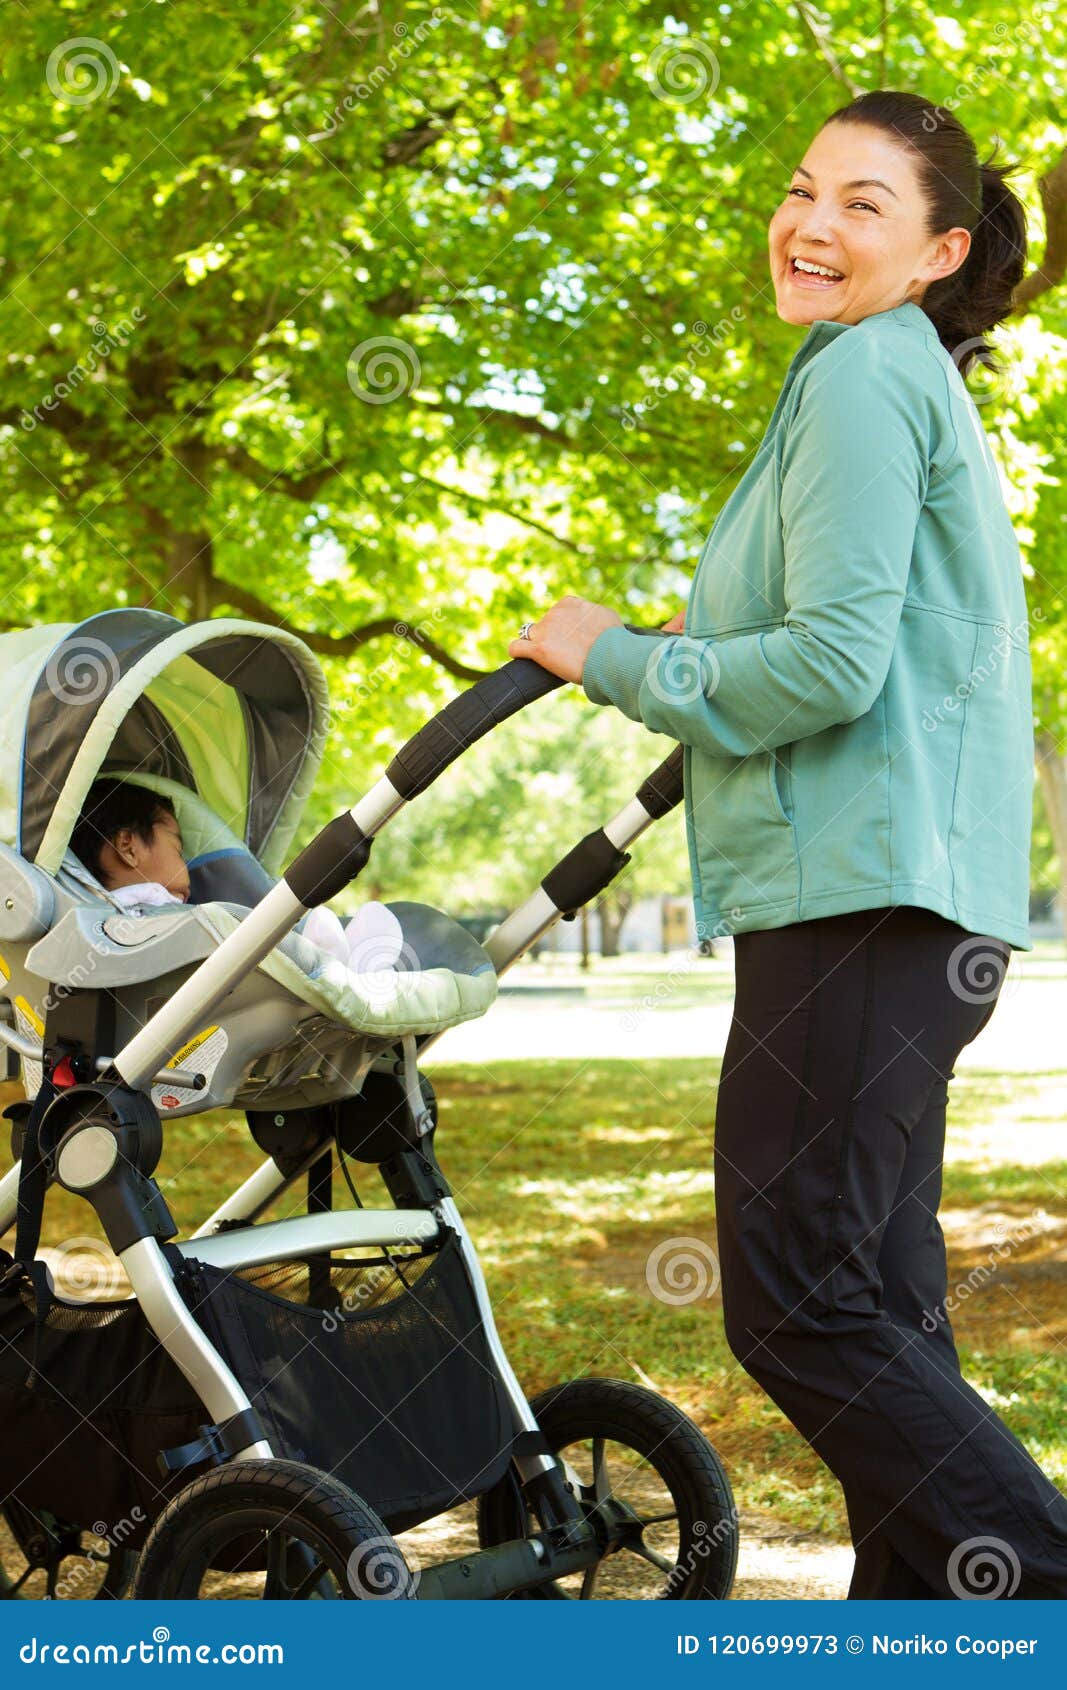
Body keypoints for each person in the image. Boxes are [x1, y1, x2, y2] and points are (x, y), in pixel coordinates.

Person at [507, 90, 1067, 1599]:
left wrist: (615, 654)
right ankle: (934, 1619)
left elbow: (829, 669)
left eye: (862, 206)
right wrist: (704, 644)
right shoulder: (881, 376)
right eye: (802, 187)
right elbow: (838, 628)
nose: (810, 224)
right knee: (877, 1298)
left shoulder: (860, 377)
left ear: (936, 251)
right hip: (901, 912)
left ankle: (1040, 1583)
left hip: (858, 913)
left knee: (795, 1299)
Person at [70, 777, 404, 978]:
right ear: (129, 848)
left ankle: (336, 966)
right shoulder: (136, 911)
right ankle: (339, 970)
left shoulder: (109, 912)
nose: (187, 865)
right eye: (178, 848)